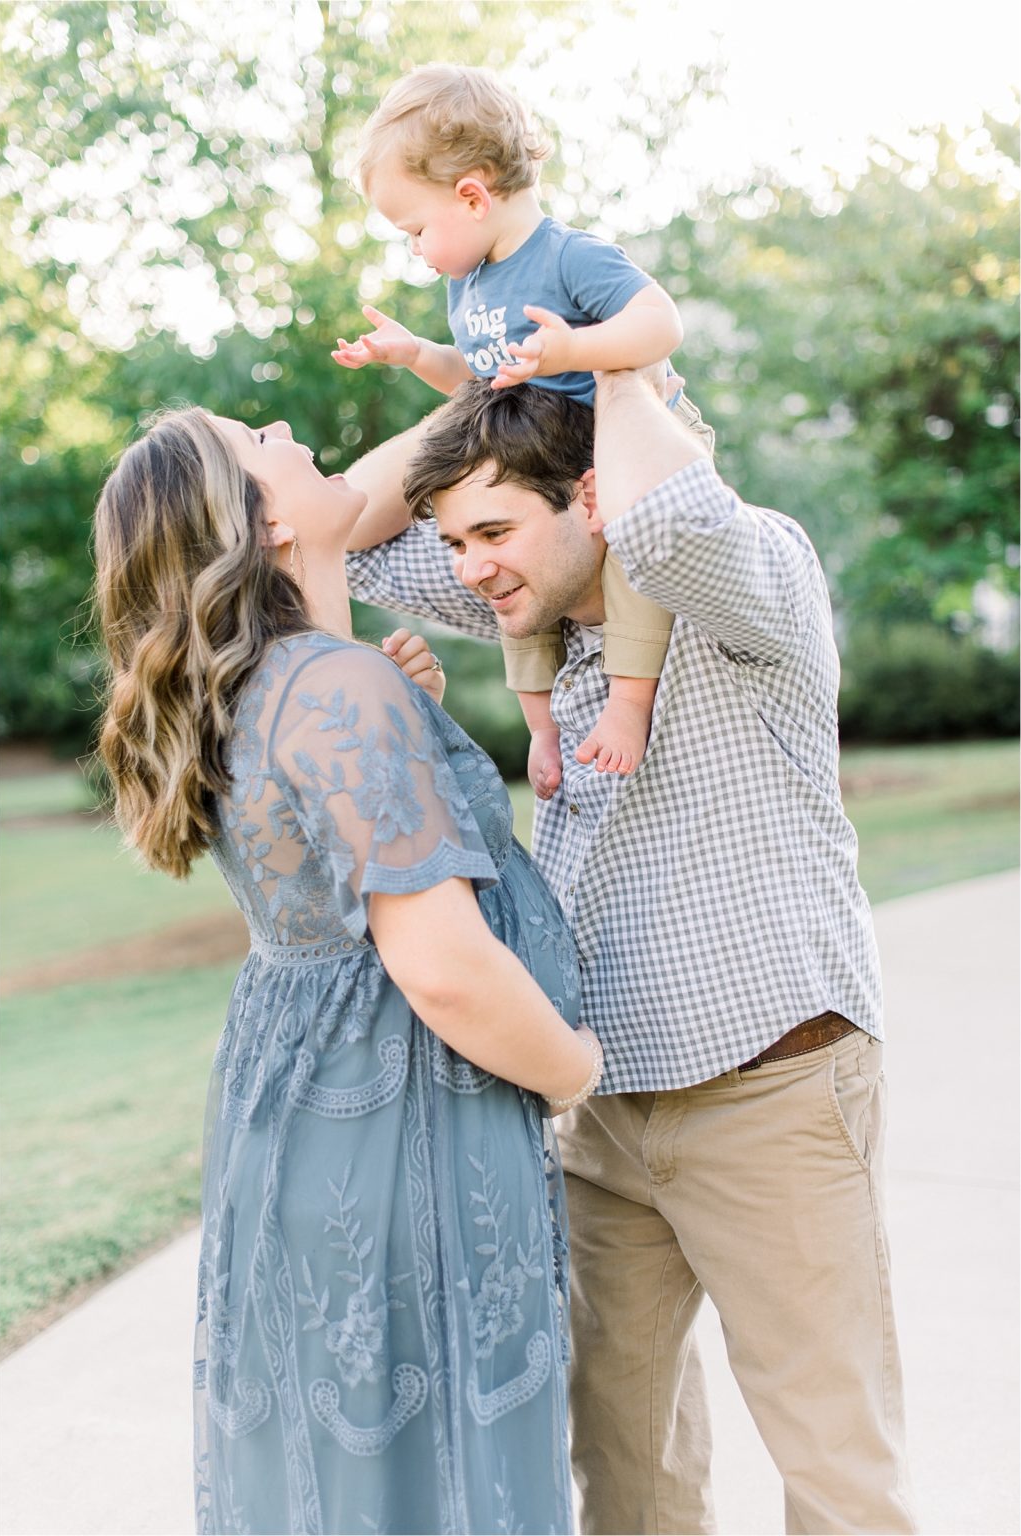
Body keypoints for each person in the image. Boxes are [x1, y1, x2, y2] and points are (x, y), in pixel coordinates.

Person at [344, 375, 918, 1535]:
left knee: (837, 1471)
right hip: (606, 1112)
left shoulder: (744, 585)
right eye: (456, 542)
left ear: (594, 496)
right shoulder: (539, 616)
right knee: (626, 1470)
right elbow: (348, 534)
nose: (469, 568)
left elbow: (673, 519)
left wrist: (611, 358)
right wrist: (481, 375)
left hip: (770, 1089)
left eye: (495, 532)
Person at [93, 406, 604, 1536]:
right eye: (258, 437)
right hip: (402, 1119)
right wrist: (572, 1068)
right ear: (264, 520)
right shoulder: (335, 691)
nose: (288, 426)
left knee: (354, 1482)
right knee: (439, 1477)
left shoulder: (270, 685)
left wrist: (399, 702)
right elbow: (442, 967)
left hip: (301, 1118)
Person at [333, 62, 700, 800]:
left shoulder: (569, 256)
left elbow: (661, 325)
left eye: (416, 230)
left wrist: (574, 350)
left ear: (472, 196)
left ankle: (630, 704)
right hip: (545, 469)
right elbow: (481, 382)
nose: (416, 249)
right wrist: (417, 355)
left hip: (630, 456)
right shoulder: (469, 285)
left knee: (635, 557)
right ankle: (542, 727)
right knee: (521, 599)